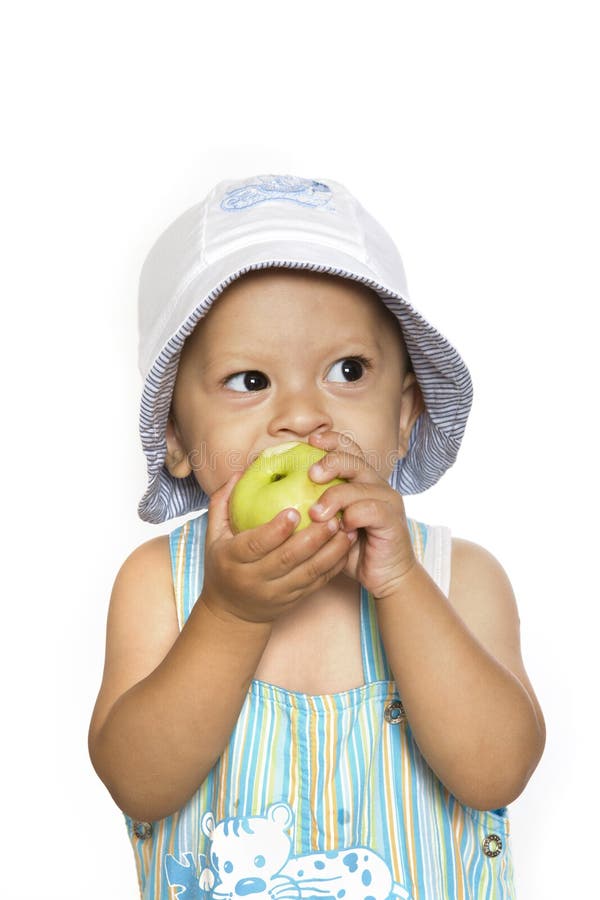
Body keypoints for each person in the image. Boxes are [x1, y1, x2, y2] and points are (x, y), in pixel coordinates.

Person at [89, 174, 545, 900]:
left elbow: (497, 772)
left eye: (347, 370)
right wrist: (231, 614)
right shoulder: (159, 586)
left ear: (405, 416)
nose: (302, 417)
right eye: (248, 380)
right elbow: (138, 786)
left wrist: (399, 585)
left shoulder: (460, 577)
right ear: (176, 436)